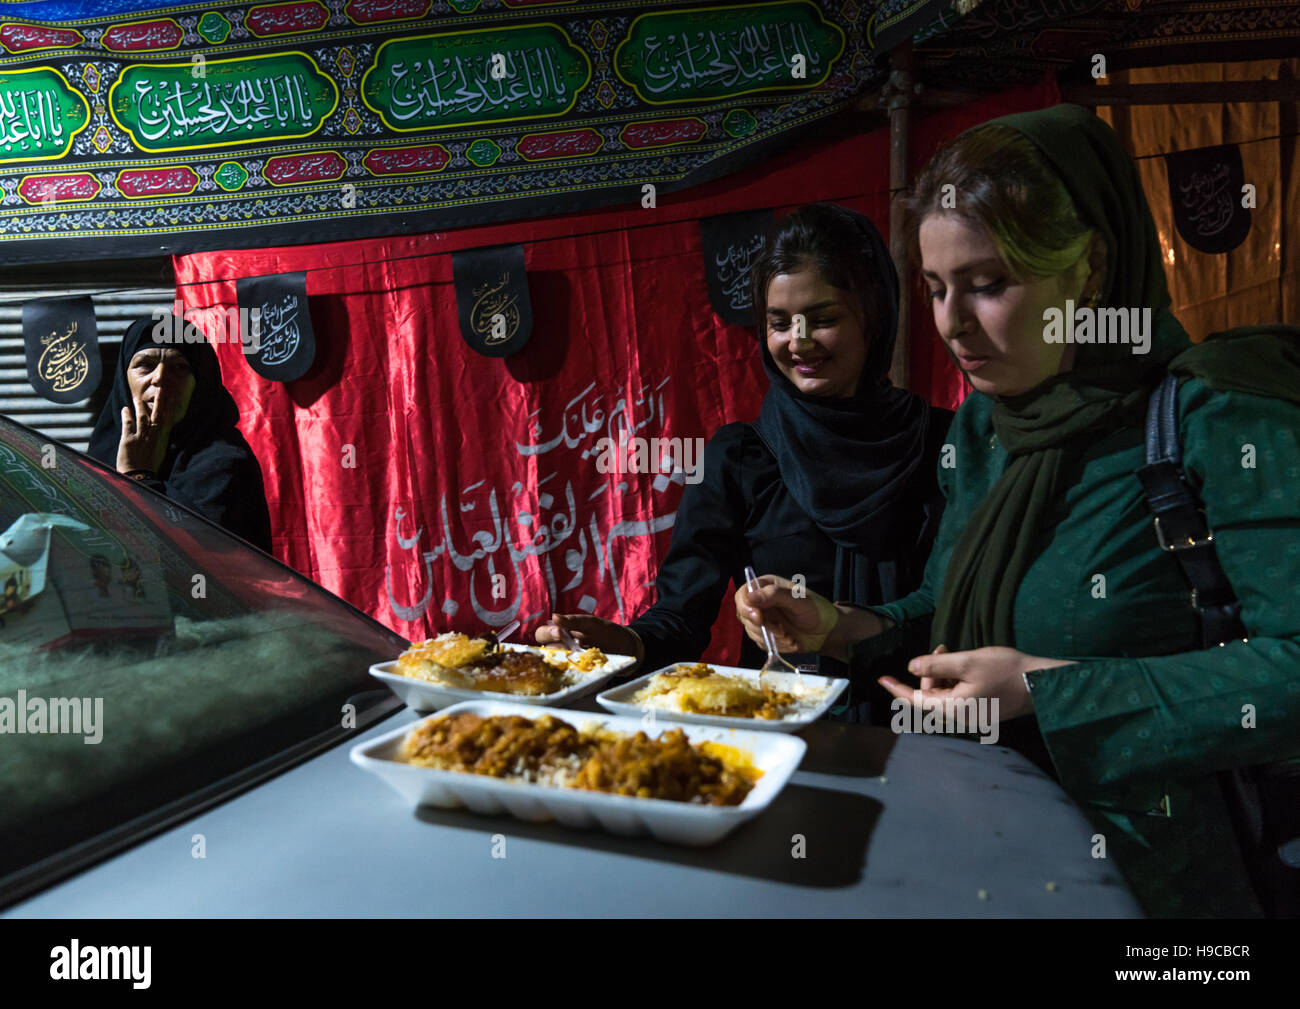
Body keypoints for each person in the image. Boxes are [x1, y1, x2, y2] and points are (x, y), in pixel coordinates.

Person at [737, 105, 1300, 917]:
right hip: (992, 863)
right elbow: (949, 614)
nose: (952, 325)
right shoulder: (986, 430)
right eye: (934, 290)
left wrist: (1052, 692)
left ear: (1092, 268)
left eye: (988, 284)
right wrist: (839, 626)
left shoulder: (1217, 418)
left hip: (1164, 892)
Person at [538, 203, 954, 722]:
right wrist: (625, 644)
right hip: (785, 743)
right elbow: (683, 618)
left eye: (822, 319)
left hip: (930, 728)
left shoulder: (944, 444)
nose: (798, 342)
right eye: (779, 323)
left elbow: (955, 609)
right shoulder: (740, 458)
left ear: (874, 316)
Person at [87, 313, 274, 553]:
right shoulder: (103, 452)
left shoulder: (224, 464)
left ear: (200, 384)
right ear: (124, 380)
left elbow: (212, 560)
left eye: (179, 368)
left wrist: (139, 477)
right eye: (145, 365)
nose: (161, 379)